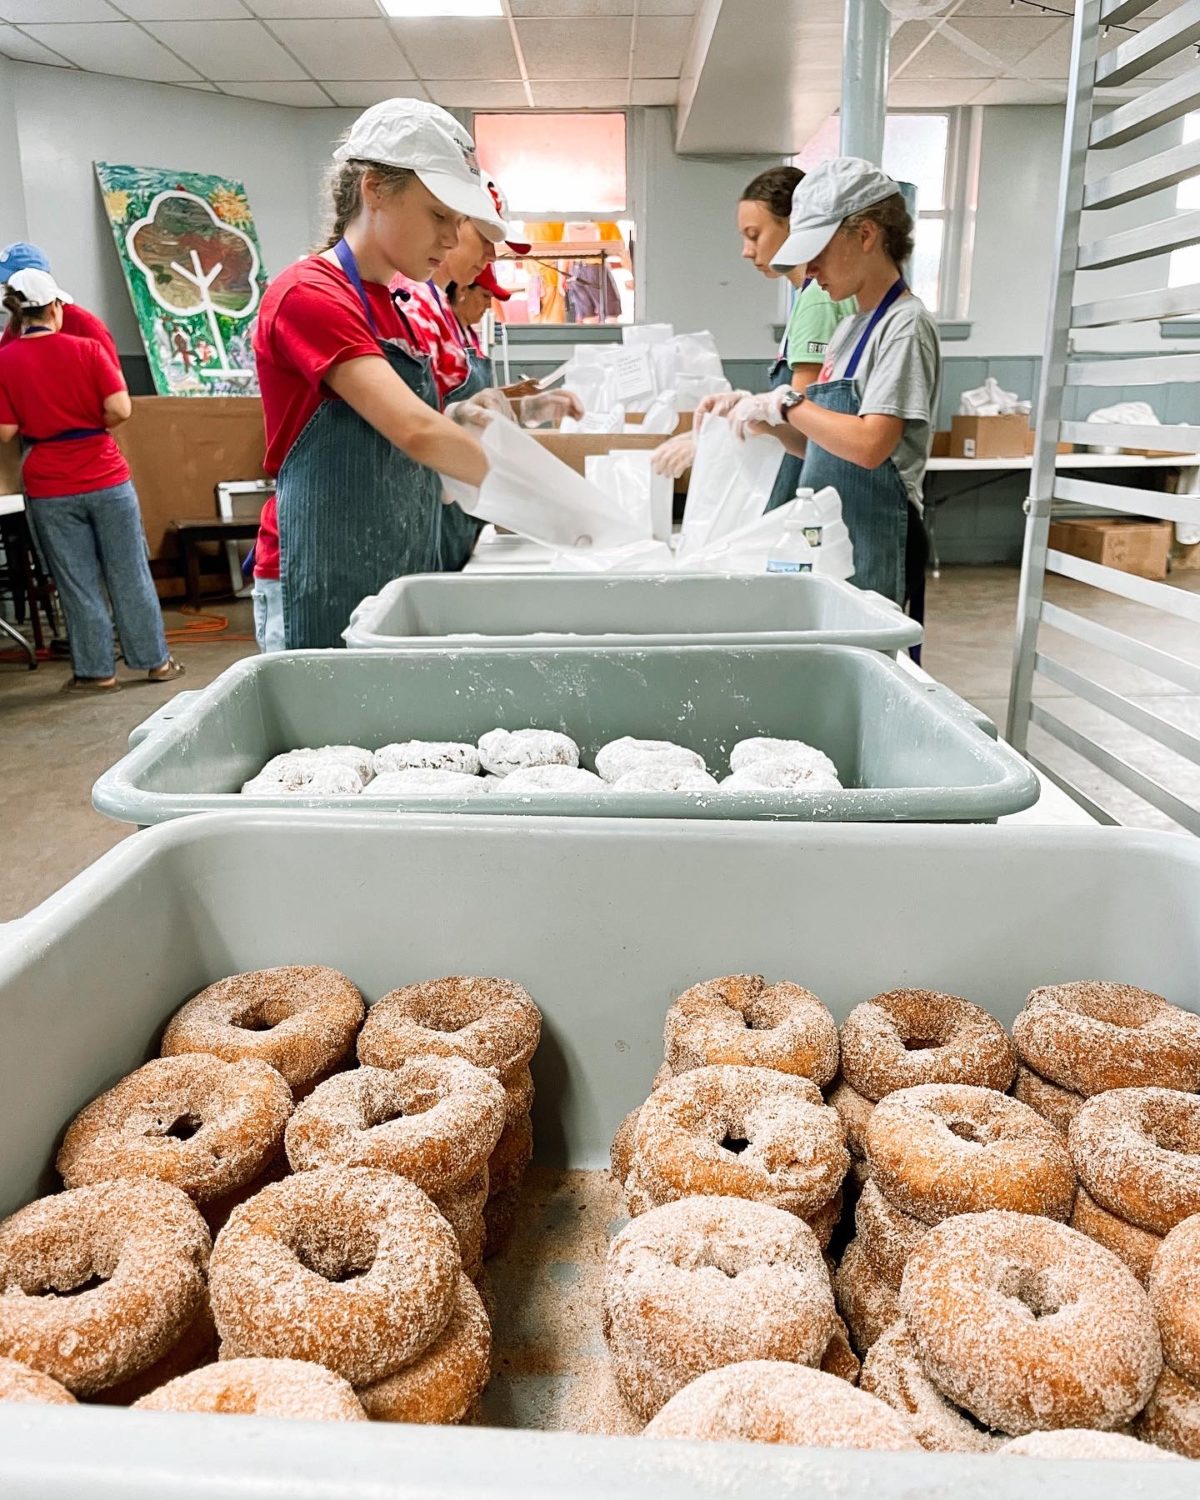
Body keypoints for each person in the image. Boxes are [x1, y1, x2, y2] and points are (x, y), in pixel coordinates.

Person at [249, 99, 508, 652]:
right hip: (319, 569)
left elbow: (421, 423)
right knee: (327, 734)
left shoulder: (393, 304)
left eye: (458, 221)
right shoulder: (309, 295)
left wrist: (462, 415)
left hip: (397, 560)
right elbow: (414, 430)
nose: (450, 237)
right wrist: (535, 492)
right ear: (374, 189)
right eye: (439, 215)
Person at [730, 157, 938, 630]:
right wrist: (771, 424)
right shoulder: (848, 329)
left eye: (819, 249)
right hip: (832, 541)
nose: (812, 268)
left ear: (865, 235)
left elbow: (869, 446)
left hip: (875, 536)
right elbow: (817, 446)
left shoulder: (904, 326)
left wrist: (788, 403)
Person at [0, 268, 180, 691]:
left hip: (48, 482)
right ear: (56, 307)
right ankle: (155, 662)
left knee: (76, 580)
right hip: (104, 474)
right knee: (129, 571)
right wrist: (84, 420)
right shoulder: (88, 349)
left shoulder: (4, 361)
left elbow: (6, 432)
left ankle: (98, 672)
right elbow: (120, 409)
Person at [652, 166, 854, 507]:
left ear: (794, 227)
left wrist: (718, 437)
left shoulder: (817, 301)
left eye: (754, 234)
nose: (746, 250)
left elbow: (802, 422)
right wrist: (746, 403)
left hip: (818, 487)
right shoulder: (809, 297)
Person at [0, 242, 119, 364]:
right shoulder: (17, 323)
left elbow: (113, 376)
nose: (9, 293)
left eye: (11, 285)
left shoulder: (84, 325)